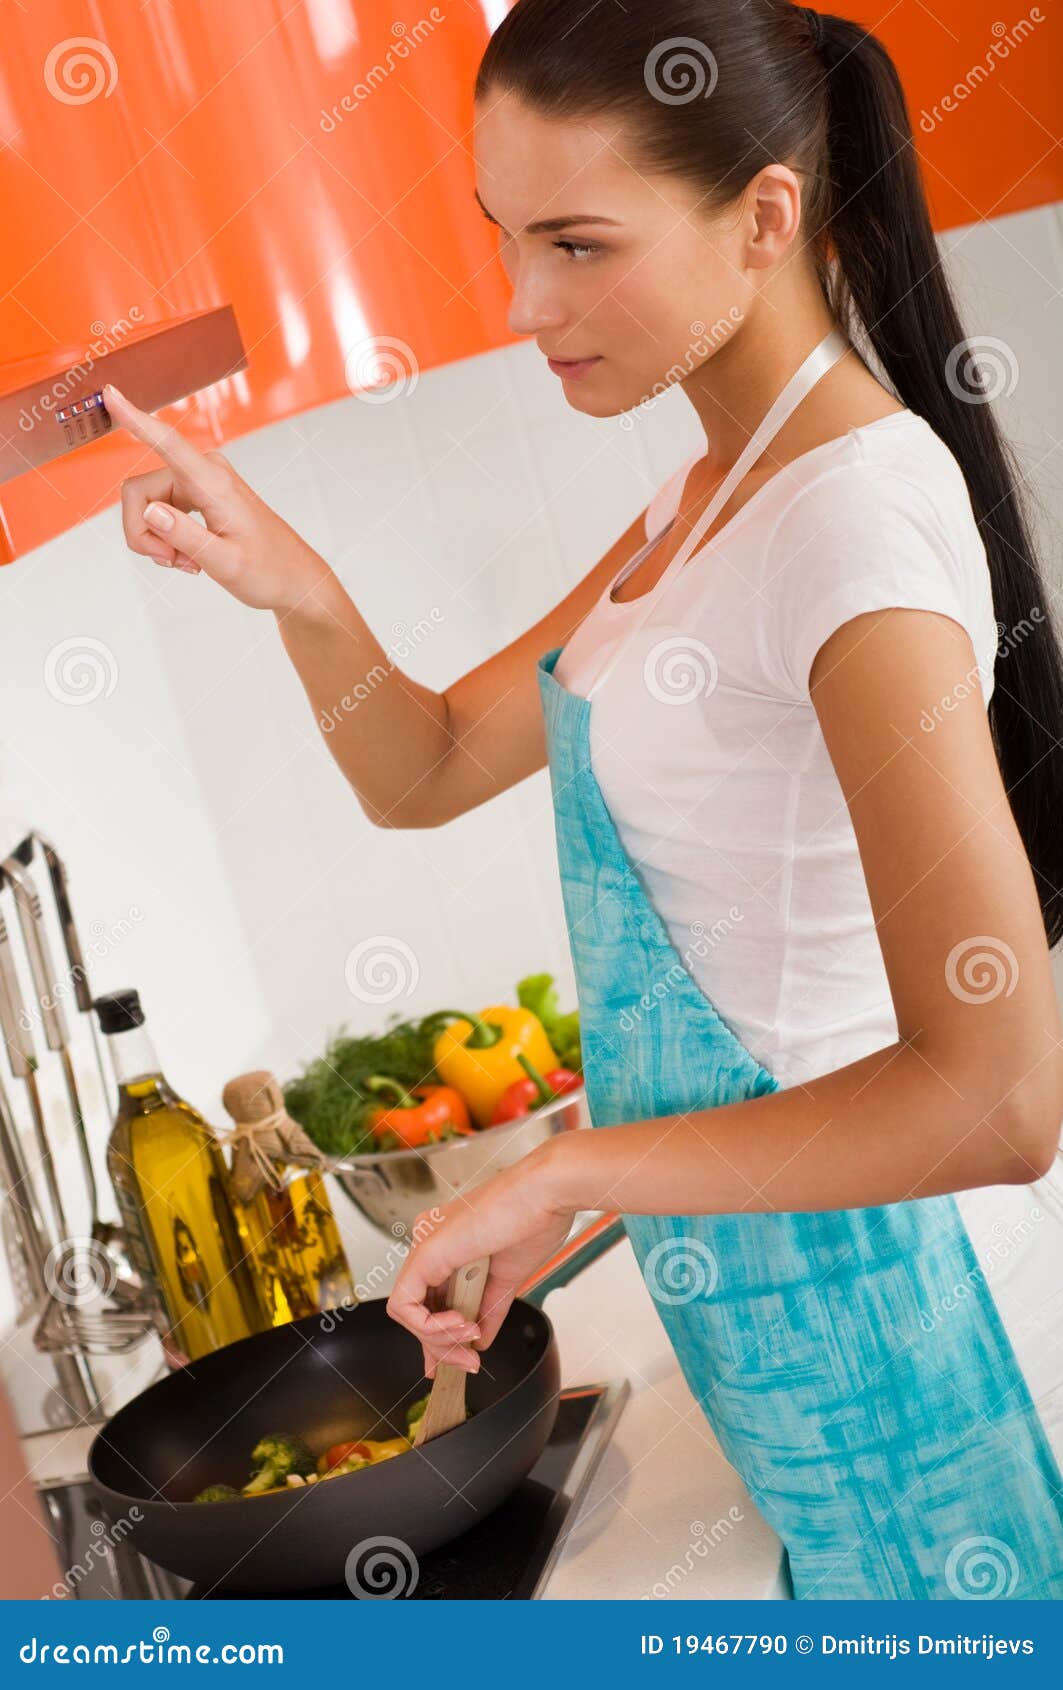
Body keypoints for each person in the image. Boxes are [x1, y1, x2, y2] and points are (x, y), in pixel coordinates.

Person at [106, 0, 1063, 1600]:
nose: (523, 303)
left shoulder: (850, 531)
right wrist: (290, 581)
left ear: (764, 216)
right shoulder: (704, 503)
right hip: (788, 1347)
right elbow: (419, 767)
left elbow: (1002, 1098)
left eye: (577, 244)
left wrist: (560, 1171)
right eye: (504, 238)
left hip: (922, 1353)